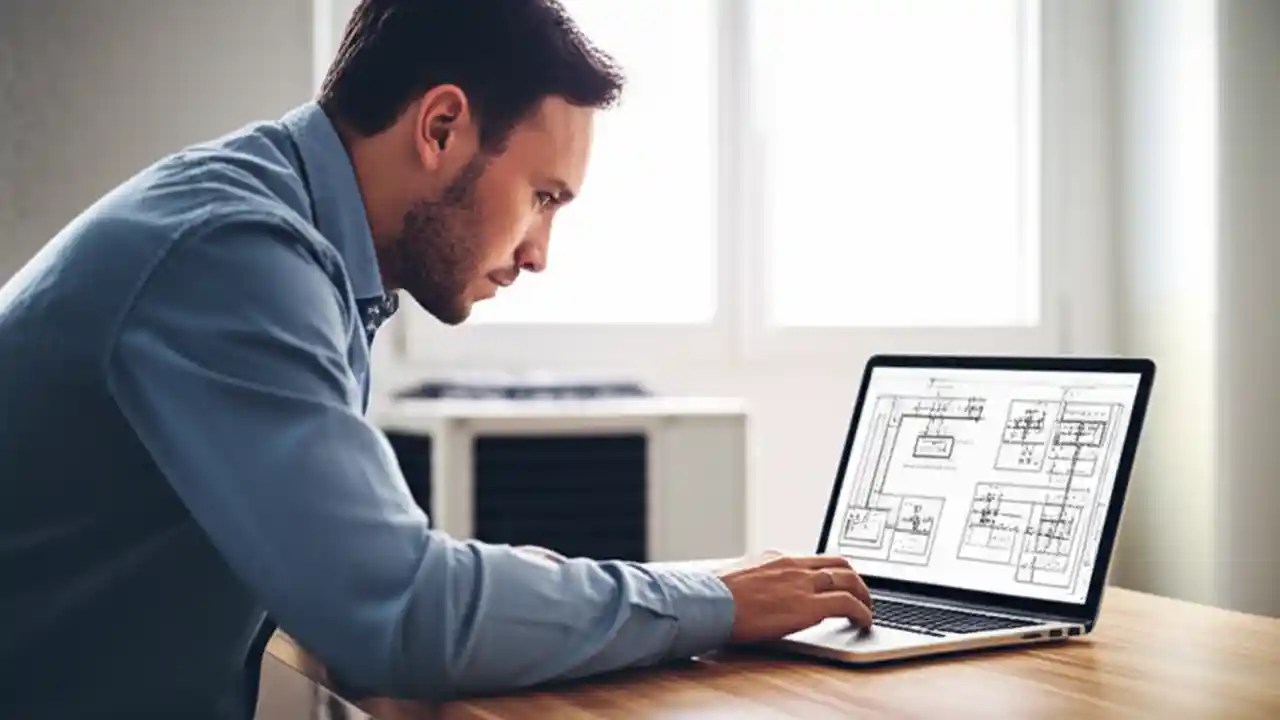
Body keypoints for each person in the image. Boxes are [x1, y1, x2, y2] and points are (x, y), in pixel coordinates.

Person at [0, 1, 873, 716]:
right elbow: (397, 614)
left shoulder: (282, 237)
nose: (539, 253)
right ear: (442, 126)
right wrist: (707, 598)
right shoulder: (233, 253)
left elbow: (372, 580)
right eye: (543, 197)